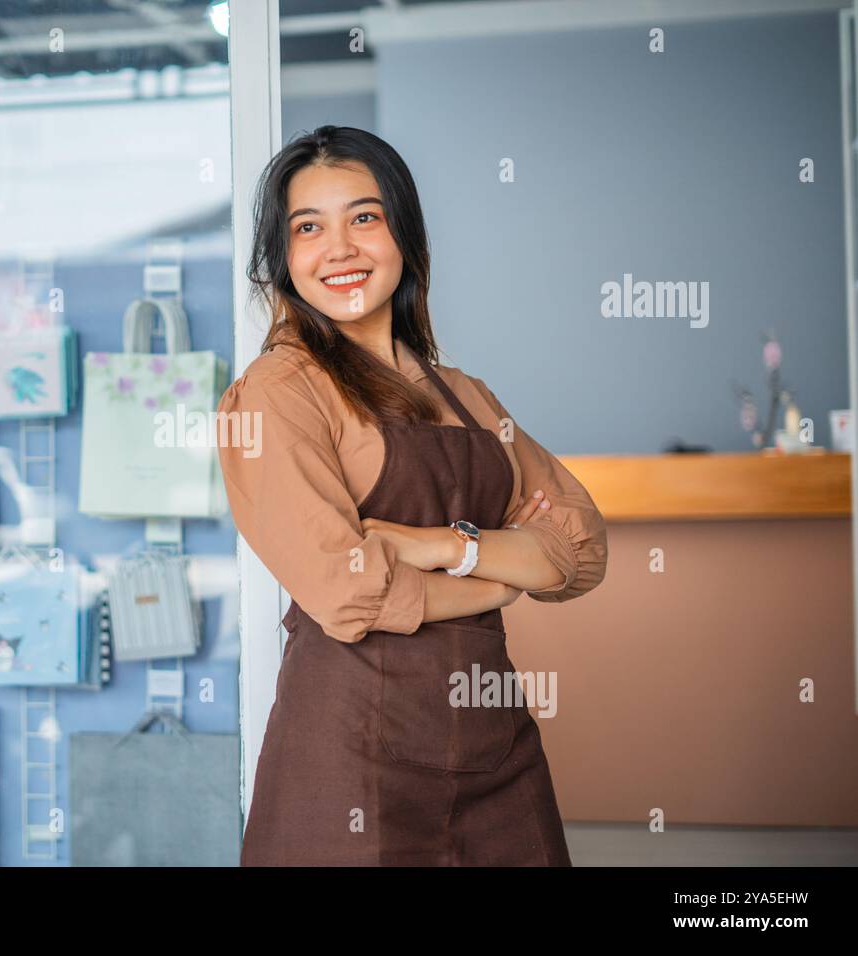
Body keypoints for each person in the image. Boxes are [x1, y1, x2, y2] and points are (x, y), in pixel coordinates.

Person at [217, 125, 608, 866]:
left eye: (364, 217)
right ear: (283, 258)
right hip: (350, 758)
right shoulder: (277, 393)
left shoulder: (466, 394)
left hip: (496, 749)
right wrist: (503, 575)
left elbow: (583, 549)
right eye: (309, 227)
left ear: (406, 233)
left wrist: (441, 548)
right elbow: (344, 590)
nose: (339, 249)